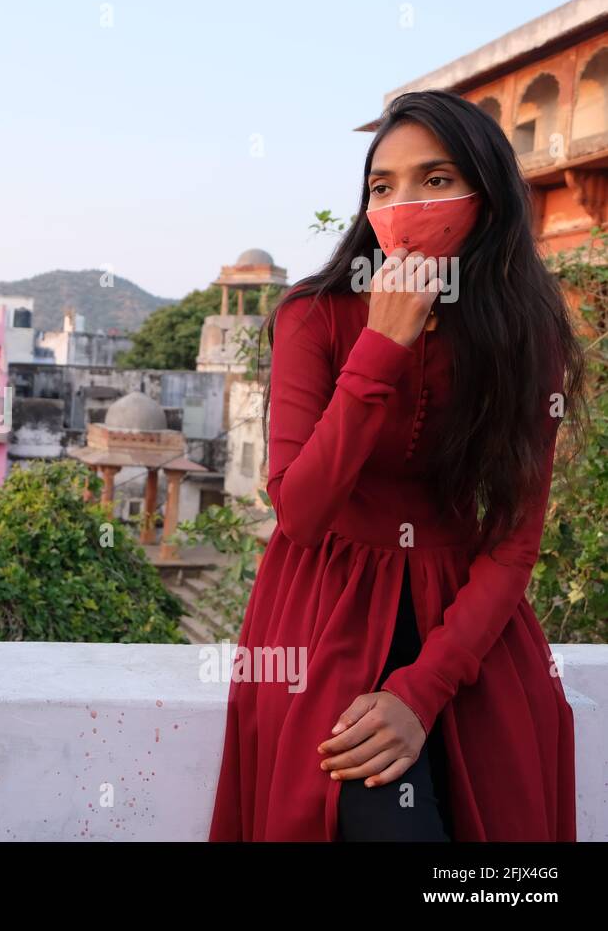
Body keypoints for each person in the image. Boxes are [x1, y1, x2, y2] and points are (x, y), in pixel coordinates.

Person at [209, 89, 583, 841]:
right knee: (373, 811)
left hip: (468, 621)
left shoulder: (525, 336)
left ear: (487, 198)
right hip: (326, 611)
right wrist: (381, 347)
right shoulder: (314, 315)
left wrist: (421, 692)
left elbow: (513, 543)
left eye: (435, 180)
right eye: (383, 187)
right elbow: (300, 513)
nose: (404, 204)